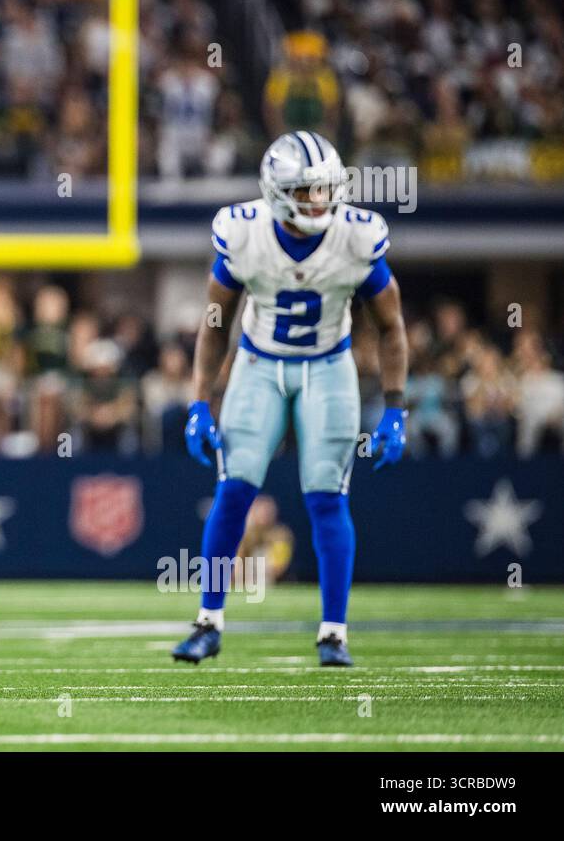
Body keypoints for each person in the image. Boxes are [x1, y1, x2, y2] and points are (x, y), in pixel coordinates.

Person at [174, 130, 408, 667]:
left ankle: (333, 634)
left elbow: (392, 326)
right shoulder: (244, 232)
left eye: (325, 189)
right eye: (306, 191)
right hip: (259, 363)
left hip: (329, 366)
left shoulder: (356, 237)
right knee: (234, 490)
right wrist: (199, 401)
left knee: (327, 496)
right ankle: (208, 623)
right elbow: (215, 325)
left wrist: (396, 406)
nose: (319, 202)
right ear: (278, 192)